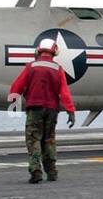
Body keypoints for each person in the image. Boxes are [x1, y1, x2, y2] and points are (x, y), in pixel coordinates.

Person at [8, 39, 76, 183]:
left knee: (34, 139)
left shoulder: (31, 67)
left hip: (35, 109)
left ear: (38, 51)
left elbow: (16, 87)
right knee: (49, 139)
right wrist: (70, 111)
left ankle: (36, 171)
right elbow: (64, 92)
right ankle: (52, 172)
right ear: (54, 52)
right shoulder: (58, 69)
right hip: (52, 110)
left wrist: (13, 103)